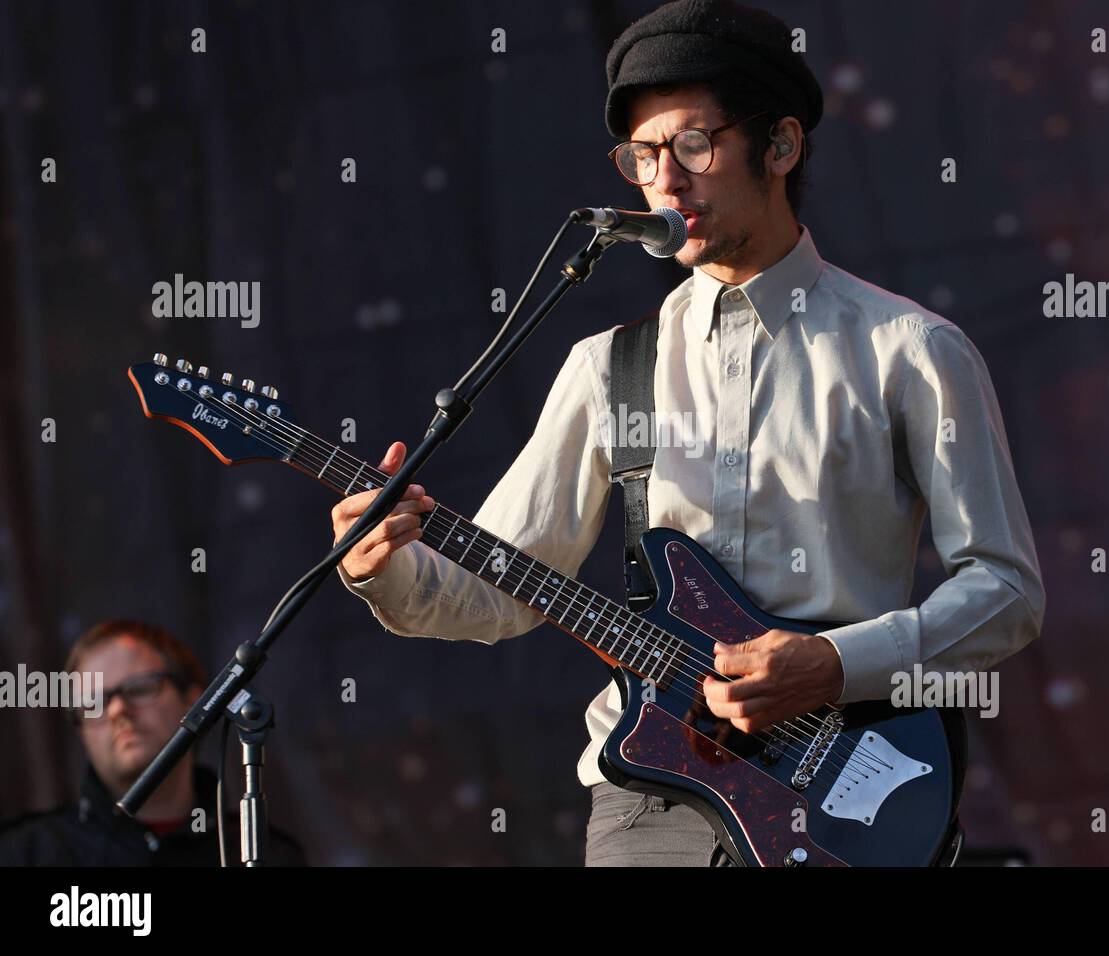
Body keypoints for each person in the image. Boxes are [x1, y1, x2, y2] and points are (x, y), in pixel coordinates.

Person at [331, 0, 1045, 866]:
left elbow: (1005, 591)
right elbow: (506, 583)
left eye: (695, 146)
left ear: (780, 146)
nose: (665, 182)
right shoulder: (609, 367)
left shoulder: (910, 351)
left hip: (844, 791)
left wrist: (834, 662)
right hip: (648, 807)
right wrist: (388, 570)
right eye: (643, 156)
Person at [0, 619, 304, 866]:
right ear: (80, 731)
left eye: (140, 688)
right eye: (93, 702)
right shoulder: (24, 854)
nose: (119, 710)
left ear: (196, 700)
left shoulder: (267, 854)